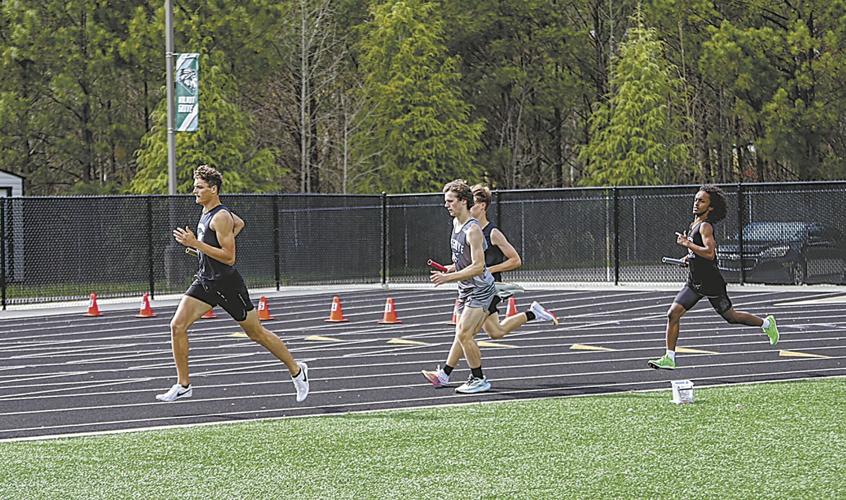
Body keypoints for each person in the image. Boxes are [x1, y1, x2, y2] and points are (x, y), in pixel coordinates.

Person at [156, 165, 309, 402]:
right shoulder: (210, 211)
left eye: (199, 187)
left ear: (213, 189)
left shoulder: (221, 216)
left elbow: (229, 257)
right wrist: (203, 250)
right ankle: (183, 384)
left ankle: (297, 371)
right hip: (205, 281)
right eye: (195, 186)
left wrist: (197, 244)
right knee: (177, 326)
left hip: (227, 285)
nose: (194, 191)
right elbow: (241, 223)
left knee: (257, 334)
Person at [421, 180, 558, 394]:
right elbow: (464, 261)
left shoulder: (474, 230)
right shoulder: (456, 224)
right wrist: (451, 270)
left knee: (465, 333)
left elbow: (478, 267)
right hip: (466, 288)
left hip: (482, 289)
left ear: (464, 202)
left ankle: (476, 379)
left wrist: (449, 278)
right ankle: (533, 314)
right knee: (493, 331)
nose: (446, 205)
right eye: (445, 201)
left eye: (450, 201)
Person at [648, 185, 780, 370]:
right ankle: (670, 358)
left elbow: (710, 254)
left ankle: (766, 323)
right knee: (673, 314)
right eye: (696, 199)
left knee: (731, 317)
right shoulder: (693, 224)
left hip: (711, 282)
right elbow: (698, 252)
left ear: (710, 207)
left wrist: (687, 244)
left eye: (701, 201)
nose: (696, 203)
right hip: (695, 282)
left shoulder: (705, 227)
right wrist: (688, 257)